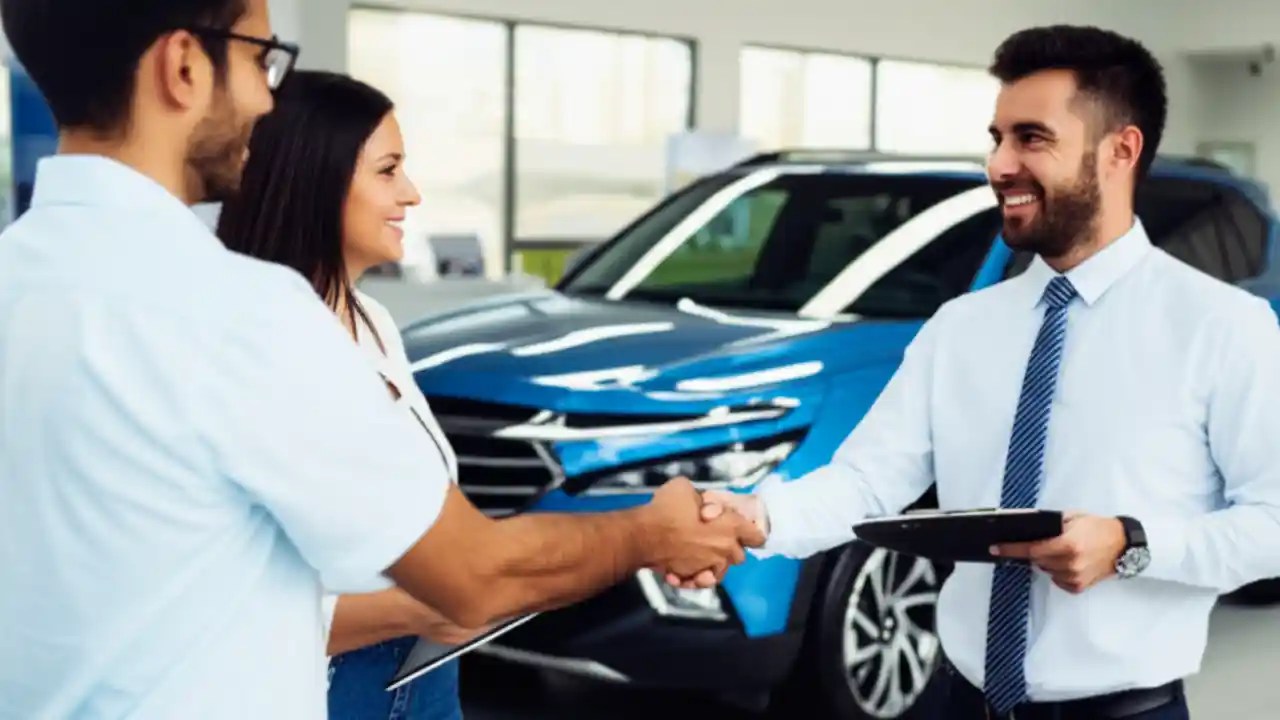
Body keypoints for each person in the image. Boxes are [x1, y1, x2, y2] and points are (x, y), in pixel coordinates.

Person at [0, 1, 762, 718]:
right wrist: (650, 532)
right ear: (184, 68)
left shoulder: (20, 277)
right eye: (261, 58)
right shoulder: (238, 309)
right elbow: (473, 576)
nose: (268, 102)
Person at [698, 24, 1280, 720]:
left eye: (1030, 138)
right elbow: (868, 481)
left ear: (1120, 150)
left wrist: (1131, 544)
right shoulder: (962, 328)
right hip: (960, 702)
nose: (999, 164)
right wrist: (758, 517)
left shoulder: (1222, 326)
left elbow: (1272, 524)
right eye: (997, 137)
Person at [216, 69, 473, 720]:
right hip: (328, 685)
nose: (411, 194)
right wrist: (422, 605)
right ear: (317, 180)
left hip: (424, 673)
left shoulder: (374, 322)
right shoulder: (253, 348)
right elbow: (229, 609)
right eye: (388, 171)